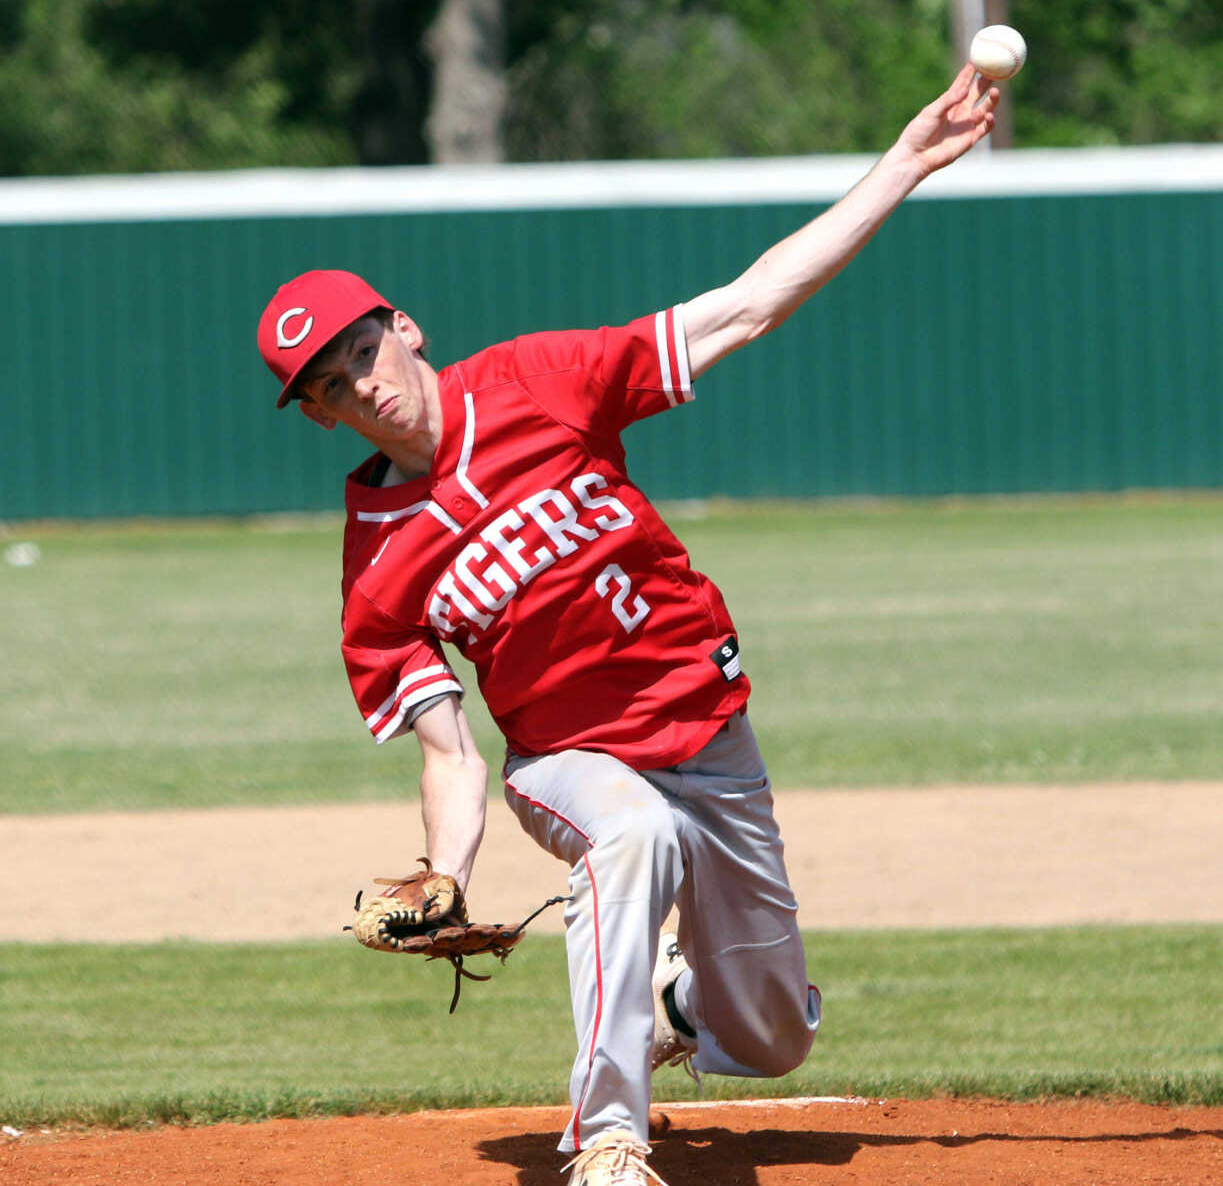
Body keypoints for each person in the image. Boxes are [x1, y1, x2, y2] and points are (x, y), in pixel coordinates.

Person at [257, 65, 999, 1186]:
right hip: (567, 763)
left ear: (403, 328)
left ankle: (677, 1002)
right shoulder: (376, 567)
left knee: (773, 1039)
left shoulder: (539, 382)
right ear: (317, 415)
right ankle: (608, 1136)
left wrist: (902, 163)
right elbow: (451, 753)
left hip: (706, 733)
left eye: (362, 351)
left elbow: (743, 306)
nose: (360, 385)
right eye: (328, 385)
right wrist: (445, 873)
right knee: (633, 832)